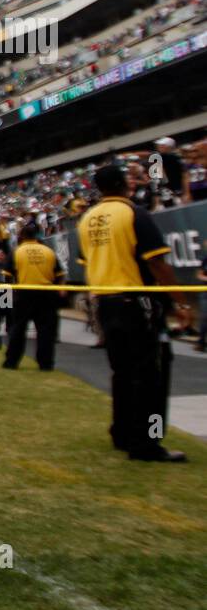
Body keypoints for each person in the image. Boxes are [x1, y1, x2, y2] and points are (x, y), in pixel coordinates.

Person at [78, 164, 191, 463]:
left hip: (104, 302)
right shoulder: (133, 213)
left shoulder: (86, 219)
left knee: (122, 373)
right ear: (123, 184)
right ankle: (148, 442)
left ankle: (123, 432)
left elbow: (87, 262)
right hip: (135, 300)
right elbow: (158, 264)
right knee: (150, 376)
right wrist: (180, 303)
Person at [3, 223, 62, 371]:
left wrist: (6, 301)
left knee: (17, 329)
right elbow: (59, 275)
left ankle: (11, 362)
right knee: (45, 331)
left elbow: (7, 277)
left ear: (22, 236)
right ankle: (46, 364)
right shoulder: (49, 251)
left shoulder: (17, 251)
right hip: (46, 293)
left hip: (24, 293)